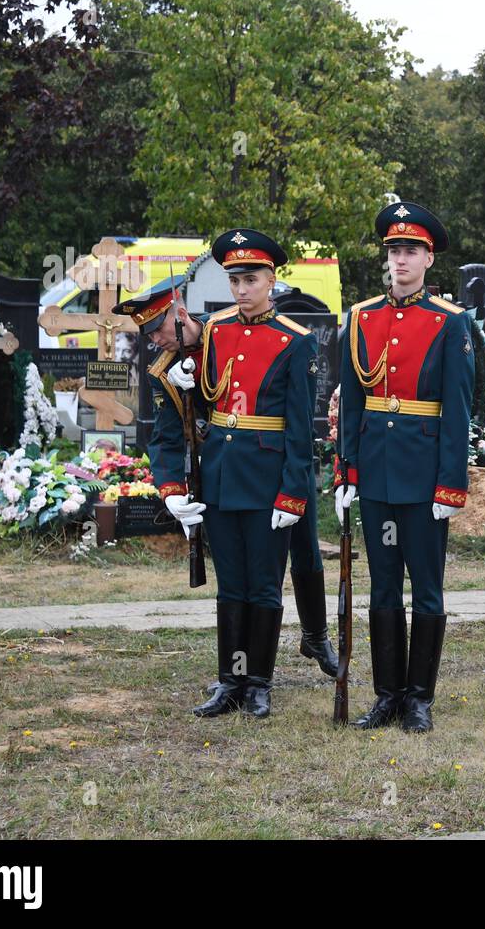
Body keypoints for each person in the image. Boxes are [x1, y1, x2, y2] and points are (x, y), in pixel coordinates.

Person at [128, 281, 340, 678]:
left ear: (180, 313)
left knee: (306, 548)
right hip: (231, 468)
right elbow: (167, 434)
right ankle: (240, 675)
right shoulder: (164, 369)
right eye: (148, 334)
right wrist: (171, 489)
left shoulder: (220, 332)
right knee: (242, 578)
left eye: (158, 328)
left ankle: (315, 633)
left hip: (279, 458)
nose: (155, 340)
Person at [155, 228, 318, 719]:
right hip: (222, 475)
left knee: (264, 585)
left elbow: (299, 429)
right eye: (234, 280)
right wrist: (183, 383)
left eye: (251, 279)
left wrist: (292, 496)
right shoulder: (216, 331)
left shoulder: (295, 341)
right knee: (231, 585)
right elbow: (198, 399)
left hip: (267, 480)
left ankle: (260, 684)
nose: (242, 289)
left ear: (272, 279)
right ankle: (230, 680)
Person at [336, 201, 474, 734]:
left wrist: (450, 482)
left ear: (428, 259)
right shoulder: (361, 317)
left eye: (411, 250)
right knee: (383, 586)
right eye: (394, 250)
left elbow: (458, 410)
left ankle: (419, 698)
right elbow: (351, 401)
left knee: (428, 588)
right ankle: (387, 694)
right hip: (375, 470)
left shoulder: (450, 322)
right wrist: (347, 469)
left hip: (423, 476)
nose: (401, 260)